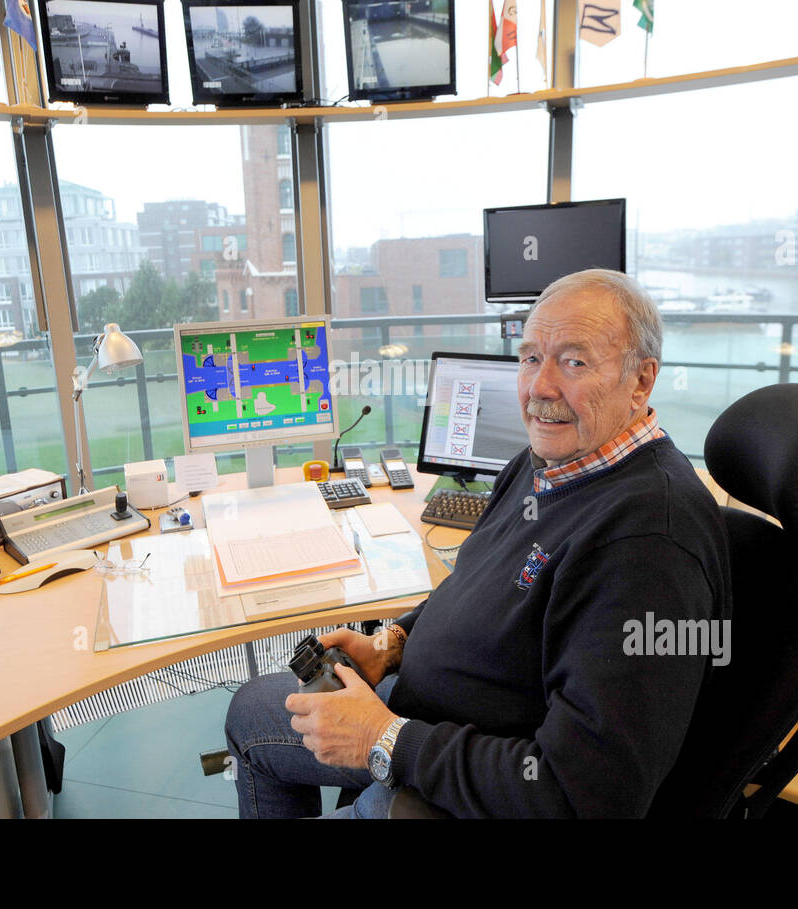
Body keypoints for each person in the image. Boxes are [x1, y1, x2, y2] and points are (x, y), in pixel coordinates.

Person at [224, 269, 731, 817]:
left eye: (574, 361)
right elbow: (470, 585)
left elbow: (584, 794)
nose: (540, 388)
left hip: (453, 782)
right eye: (532, 358)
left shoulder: (649, 543)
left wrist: (386, 740)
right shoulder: (545, 464)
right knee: (250, 712)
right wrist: (392, 645)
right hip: (423, 723)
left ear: (641, 381)